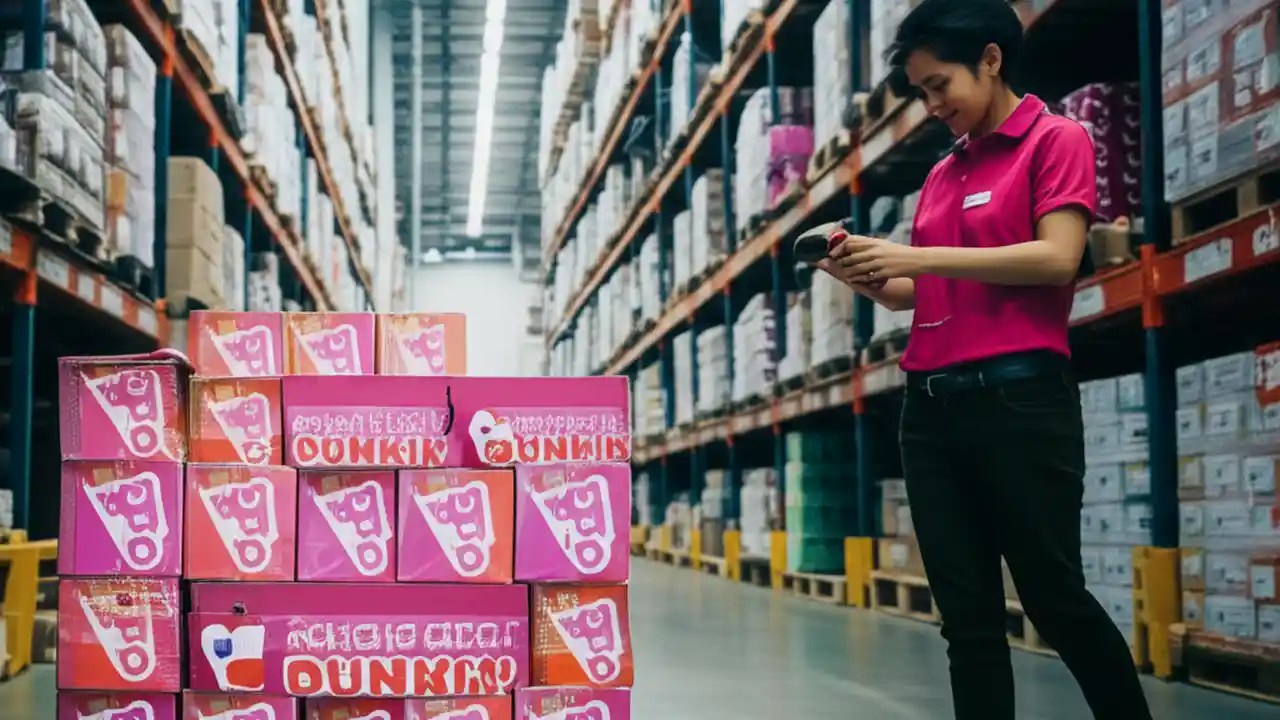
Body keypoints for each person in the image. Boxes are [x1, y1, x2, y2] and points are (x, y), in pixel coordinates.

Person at [806, 1, 1154, 718]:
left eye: (940, 86)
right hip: (930, 412)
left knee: (1054, 598)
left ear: (991, 59)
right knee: (966, 623)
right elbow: (912, 293)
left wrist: (913, 253)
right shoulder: (942, 173)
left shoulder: (1055, 140)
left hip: (1021, 402)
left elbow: (1057, 260)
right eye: (921, 91)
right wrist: (863, 272)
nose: (932, 104)